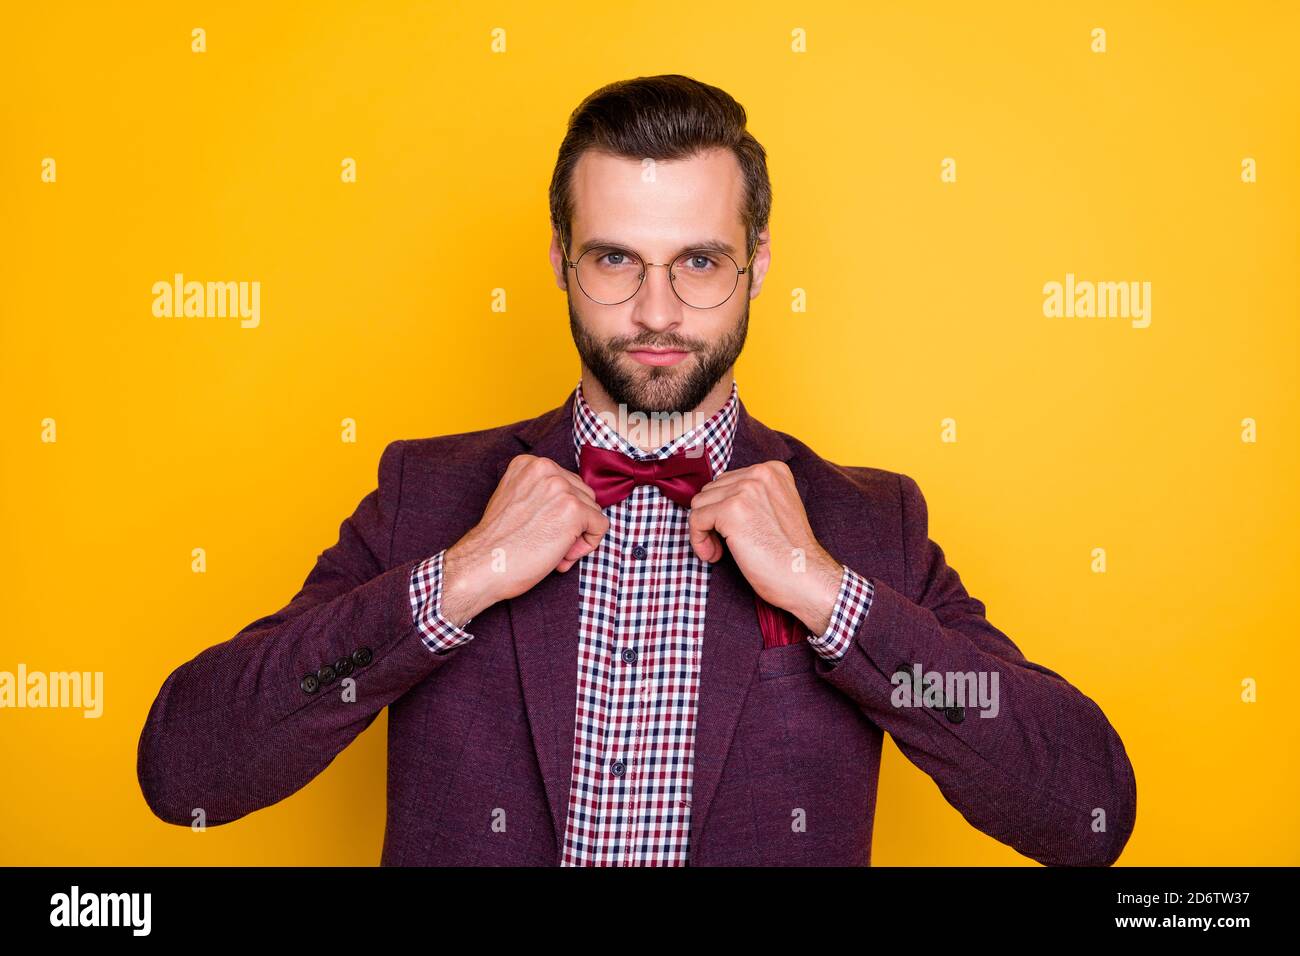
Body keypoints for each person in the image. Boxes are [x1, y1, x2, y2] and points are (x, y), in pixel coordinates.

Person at [137, 73, 1136, 866]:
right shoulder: (428, 496)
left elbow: (1083, 808)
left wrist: (829, 596)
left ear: (758, 260)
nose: (657, 311)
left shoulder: (870, 524)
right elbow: (188, 767)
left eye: (699, 262)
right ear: (560, 260)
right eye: (615, 260)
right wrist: (458, 579)